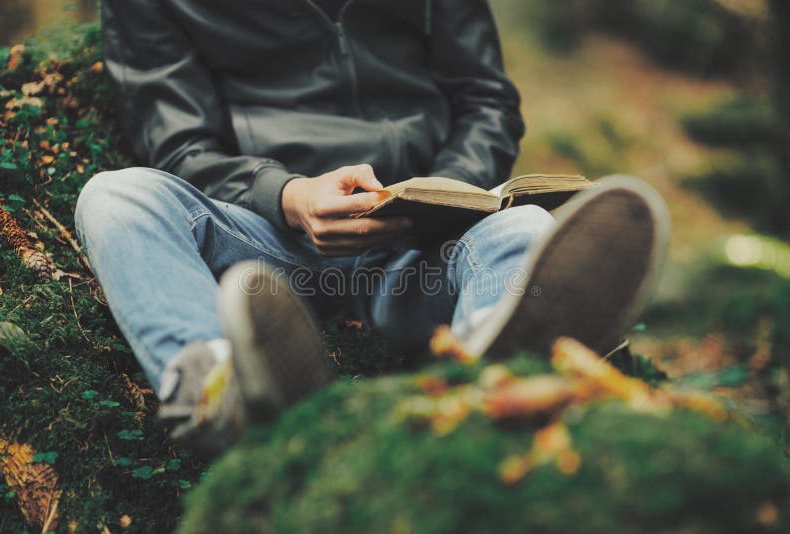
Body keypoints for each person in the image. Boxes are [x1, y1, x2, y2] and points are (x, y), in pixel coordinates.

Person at [75, 0, 668, 456]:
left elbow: (486, 101)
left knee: (523, 229)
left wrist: (443, 197)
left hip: (426, 244)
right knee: (117, 197)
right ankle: (226, 394)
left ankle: (502, 372)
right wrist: (289, 195)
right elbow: (179, 145)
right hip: (267, 243)